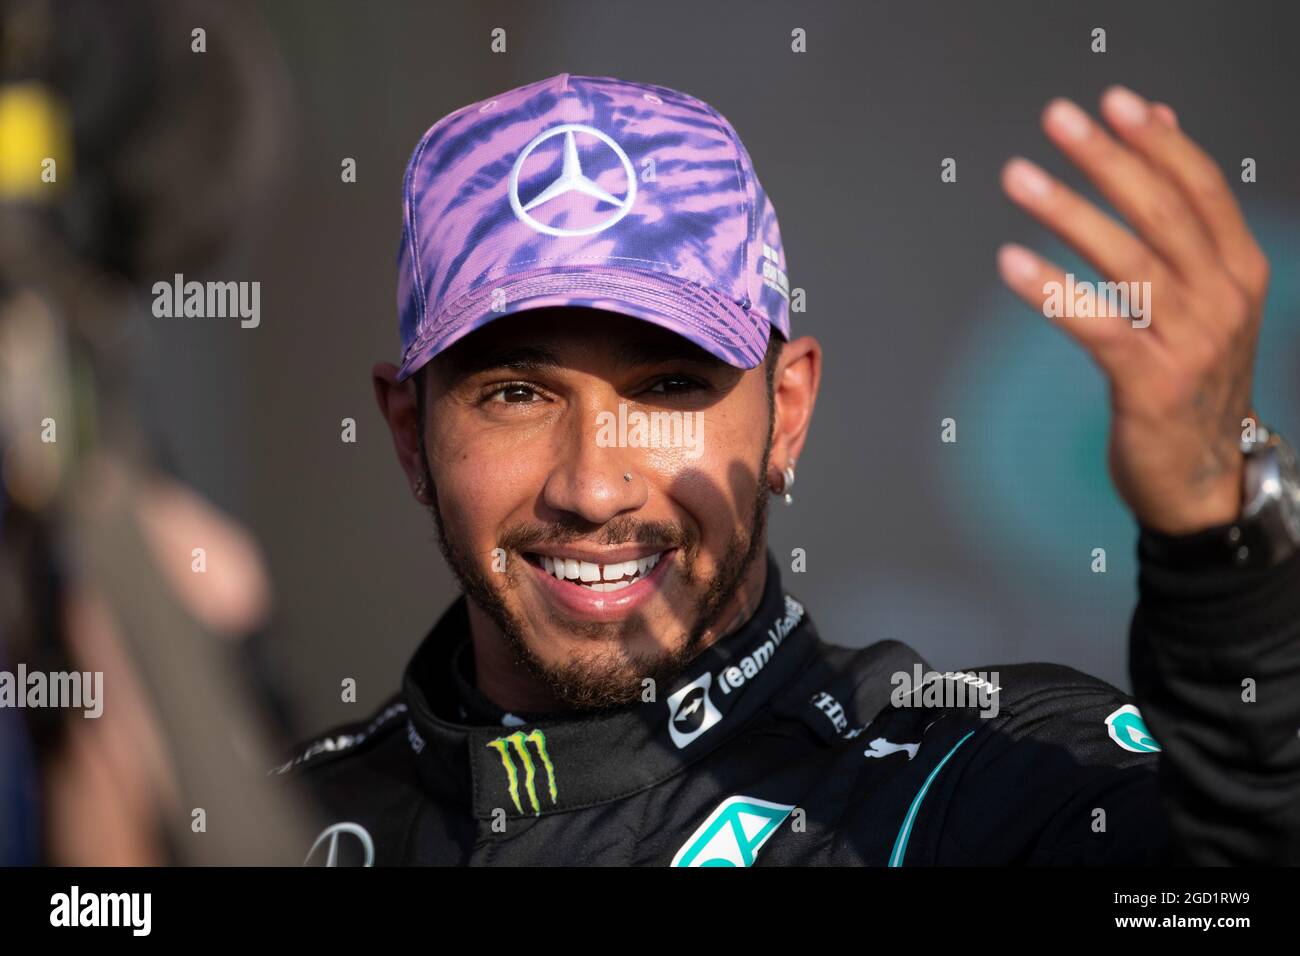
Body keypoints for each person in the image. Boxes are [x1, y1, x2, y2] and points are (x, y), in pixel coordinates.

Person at [274, 73, 1300, 866]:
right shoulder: (267, 822)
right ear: (410, 434)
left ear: (786, 413)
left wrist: (1226, 552)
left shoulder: (974, 785)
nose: (591, 486)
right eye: (516, 394)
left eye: (669, 385)